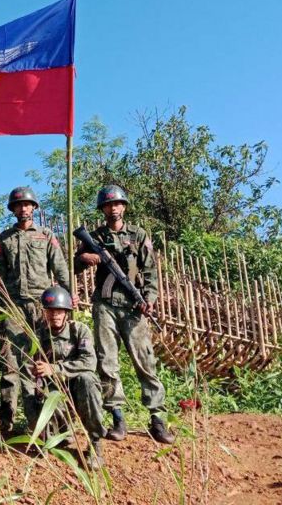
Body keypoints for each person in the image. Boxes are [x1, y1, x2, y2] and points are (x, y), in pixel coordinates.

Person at [74, 185, 174, 444]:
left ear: (124, 207)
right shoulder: (94, 236)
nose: (113, 208)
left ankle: (157, 419)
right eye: (108, 205)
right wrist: (85, 257)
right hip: (105, 305)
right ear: (103, 209)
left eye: (118, 204)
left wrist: (148, 300)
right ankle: (117, 417)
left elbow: (151, 272)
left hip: (132, 306)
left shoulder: (138, 235)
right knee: (107, 361)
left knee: (145, 361)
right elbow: (73, 265)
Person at [0, 186, 74, 433]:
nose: (23, 208)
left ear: (34, 208)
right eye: (18, 205)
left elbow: (60, 270)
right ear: (13, 209)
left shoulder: (46, 236)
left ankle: (43, 418)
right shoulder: (4, 238)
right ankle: (5, 418)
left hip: (43, 307)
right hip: (14, 307)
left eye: (27, 204)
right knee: (11, 362)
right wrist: (0, 305)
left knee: (43, 360)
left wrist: (69, 298)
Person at [19, 285, 106, 468]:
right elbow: (26, 375)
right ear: (45, 313)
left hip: (78, 391)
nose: (55, 315)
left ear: (66, 312)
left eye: (59, 311)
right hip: (53, 393)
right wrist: (33, 418)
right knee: (49, 441)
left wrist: (55, 368)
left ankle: (95, 443)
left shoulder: (79, 331)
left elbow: (89, 362)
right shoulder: (37, 337)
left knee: (88, 380)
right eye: (50, 311)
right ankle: (62, 431)